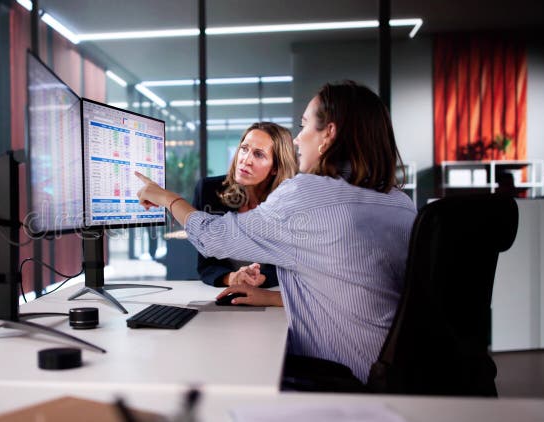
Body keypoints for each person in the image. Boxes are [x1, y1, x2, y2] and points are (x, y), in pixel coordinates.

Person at [136, 81, 416, 384]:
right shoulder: (400, 202)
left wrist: (165, 197)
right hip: (395, 372)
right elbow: (360, 290)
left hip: (342, 376)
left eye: (305, 124)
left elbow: (213, 237)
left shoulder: (306, 193)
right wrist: (273, 298)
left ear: (329, 134)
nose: (298, 138)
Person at [193, 122, 298, 288]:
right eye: (244, 148)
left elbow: (294, 264)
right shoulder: (208, 189)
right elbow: (206, 264)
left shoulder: (290, 201)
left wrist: (261, 278)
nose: (245, 160)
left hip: (273, 294)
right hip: (224, 293)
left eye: (258, 154)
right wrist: (232, 278)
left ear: (275, 168)